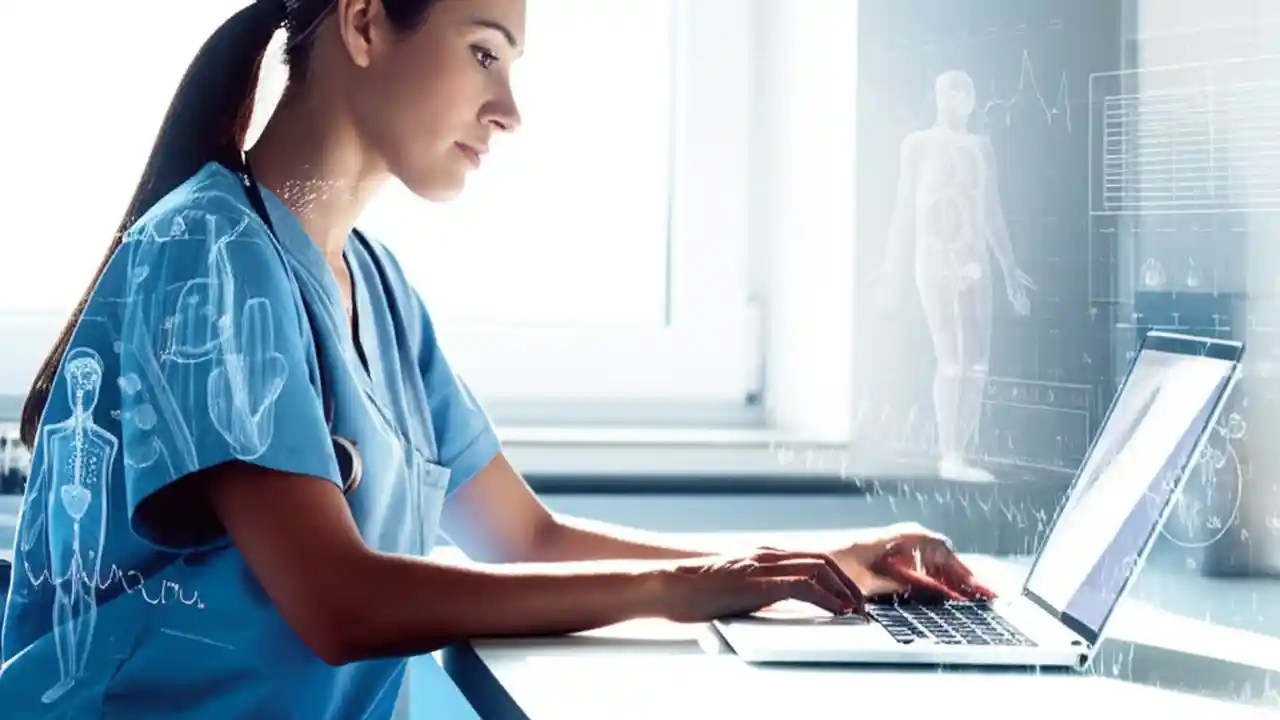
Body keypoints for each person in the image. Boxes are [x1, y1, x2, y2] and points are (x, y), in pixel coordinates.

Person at [0, 1, 991, 716]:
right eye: (483, 53)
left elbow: (524, 536)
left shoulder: (375, 284)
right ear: (363, 23)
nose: (507, 108)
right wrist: (686, 586)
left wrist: (821, 564)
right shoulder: (206, 256)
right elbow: (340, 603)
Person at [876, 70, 1037, 484]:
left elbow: (992, 211)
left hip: (975, 261)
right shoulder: (917, 144)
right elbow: (904, 210)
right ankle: (949, 453)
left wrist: (1010, 270)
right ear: (938, 97)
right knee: (951, 360)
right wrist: (891, 272)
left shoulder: (981, 147)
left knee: (977, 363)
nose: (960, 99)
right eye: (952, 91)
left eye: (966, 91)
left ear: (972, 99)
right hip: (934, 261)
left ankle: (960, 453)